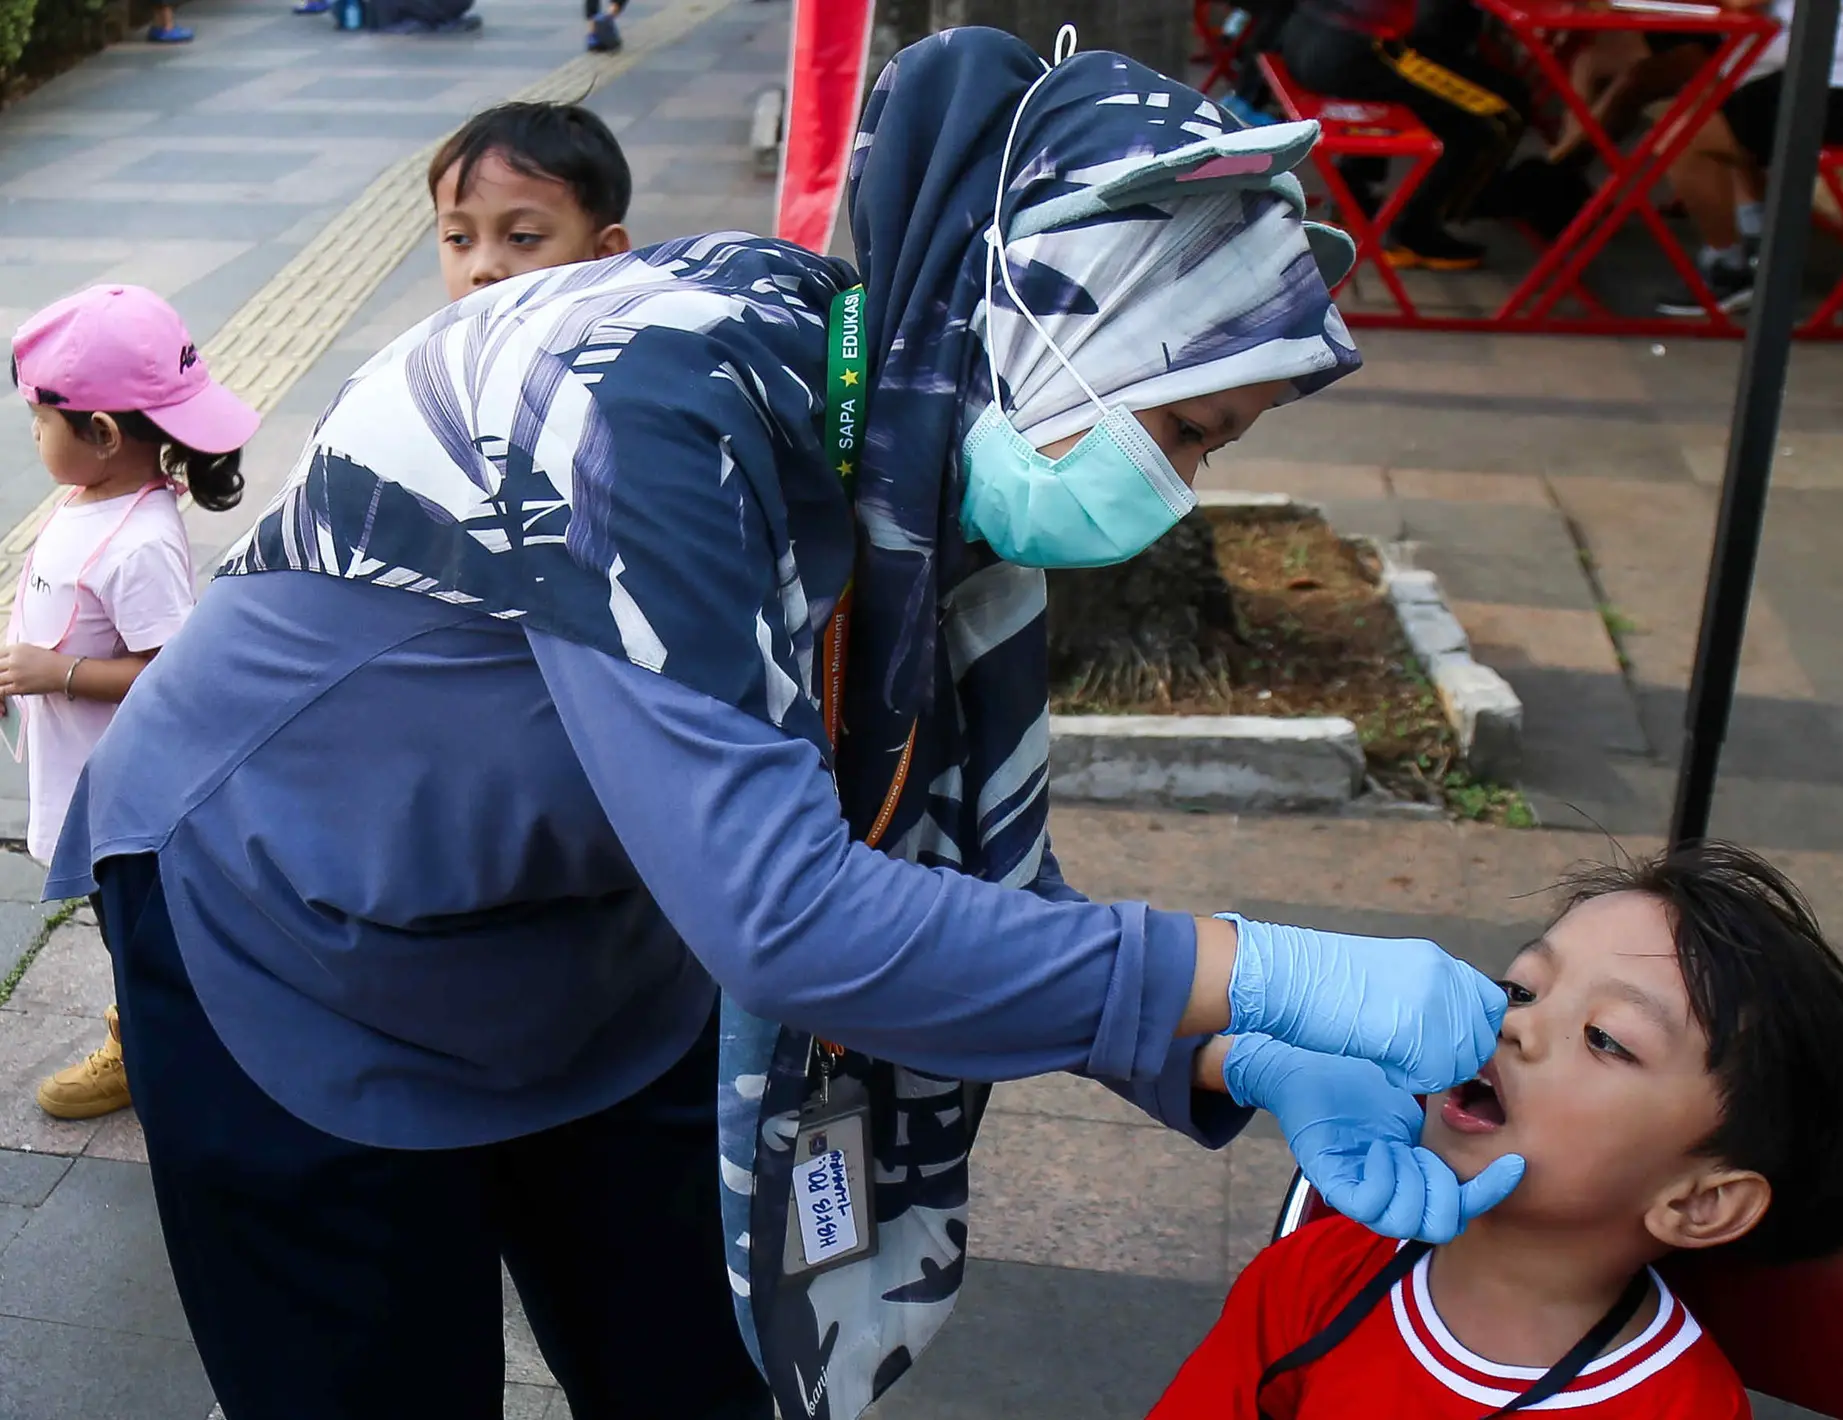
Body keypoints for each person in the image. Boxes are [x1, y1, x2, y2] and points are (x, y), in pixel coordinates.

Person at [46, 28, 1520, 1420]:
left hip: (592, 942)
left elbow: (944, 878)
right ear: (1037, 323)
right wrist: (1257, 968)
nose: (1177, 488)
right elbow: (788, 920)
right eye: (1187, 429)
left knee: (701, 1371)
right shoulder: (642, 400)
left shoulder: (900, 413)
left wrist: (1227, 1047)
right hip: (291, 933)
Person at [1151, 842, 1843, 1417]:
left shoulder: (1680, 1408)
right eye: (1521, 987)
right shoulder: (1321, 1273)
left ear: (1700, 1202)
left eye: (1606, 1037)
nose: (1516, 1025)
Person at [10, 286, 254, 1121]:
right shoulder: (90, 496)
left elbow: (169, 670)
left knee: (131, 924)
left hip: (121, 790)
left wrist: (56, 674)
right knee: (126, 921)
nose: (33, 433)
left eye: (40, 420)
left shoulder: (142, 538)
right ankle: (159, 1027)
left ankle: (147, 1047)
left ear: (103, 434)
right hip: (81, 764)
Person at [1657, 0, 1843, 315]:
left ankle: (1729, 271)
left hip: (1841, 89)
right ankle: (1760, 238)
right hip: (1837, 80)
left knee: (1683, 142)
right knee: (1712, 106)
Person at [1275, 0, 1529, 271]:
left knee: (1446, 59)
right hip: (1359, 47)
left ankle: (1354, 194)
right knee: (1504, 111)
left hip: (1307, 28)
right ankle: (1418, 230)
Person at [429, 101, 633, 300]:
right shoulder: (442, 334)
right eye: (459, 239)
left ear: (605, 255)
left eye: (522, 237)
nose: (484, 268)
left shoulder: (635, 332)